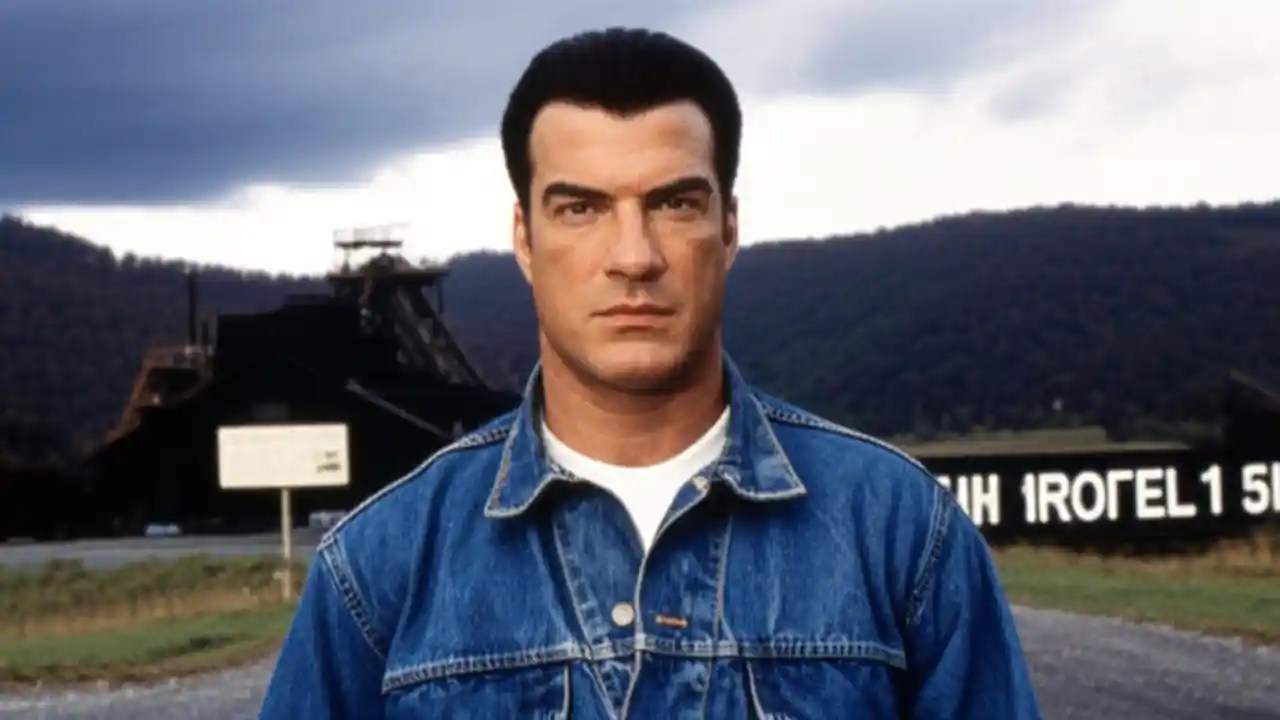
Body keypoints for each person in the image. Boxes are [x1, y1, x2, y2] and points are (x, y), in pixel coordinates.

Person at [261, 27, 1042, 718]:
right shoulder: (381, 568)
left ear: (728, 229)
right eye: (581, 209)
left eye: (673, 204)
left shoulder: (901, 533)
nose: (634, 256)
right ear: (524, 240)